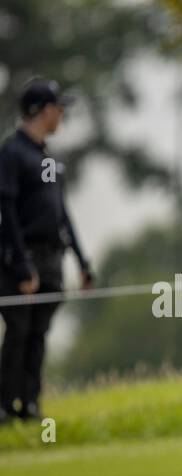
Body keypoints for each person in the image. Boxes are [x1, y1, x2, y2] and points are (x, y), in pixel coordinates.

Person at [0, 79, 93, 425]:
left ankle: (31, 404)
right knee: (19, 332)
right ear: (42, 111)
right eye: (57, 107)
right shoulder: (13, 154)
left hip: (52, 258)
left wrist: (82, 261)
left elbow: (61, 212)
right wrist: (22, 266)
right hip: (22, 260)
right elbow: (6, 210)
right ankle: (5, 406)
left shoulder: (48, 159)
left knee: (38, 333)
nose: (62, 114)